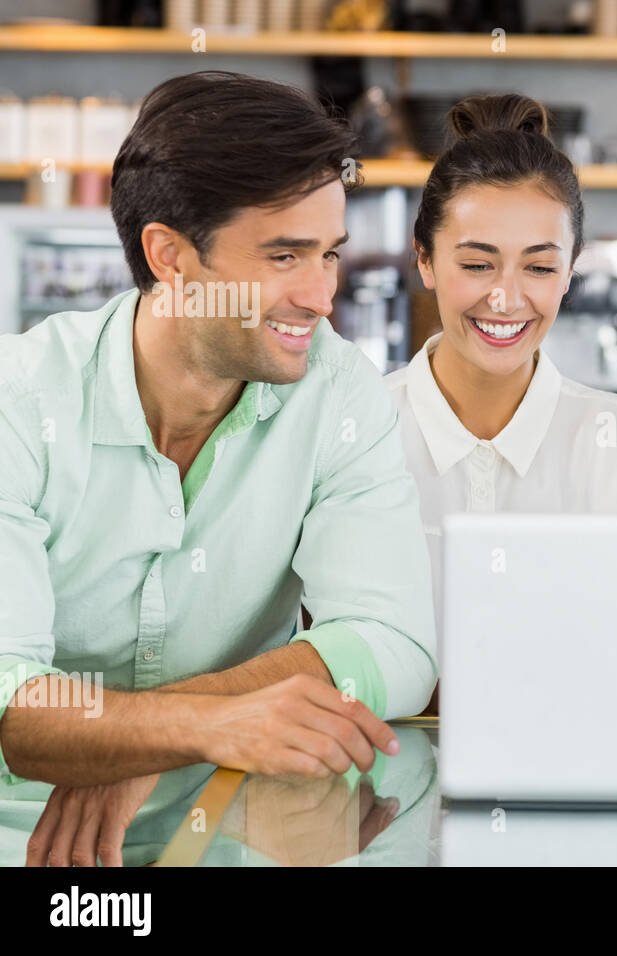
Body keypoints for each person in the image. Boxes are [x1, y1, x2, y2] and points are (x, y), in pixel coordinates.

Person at [0, 71, 436, 866]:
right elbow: (9, 701)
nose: (322, 294)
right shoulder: (20, 401)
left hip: (238, 829)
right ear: (168, 255)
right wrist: (193, 727)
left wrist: (142, 744)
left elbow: (395, 643)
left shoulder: (341, 395)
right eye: (284, 255)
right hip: (26, 844)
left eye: (330, 253)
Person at [387, 93, 617, 677]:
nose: (506, 298)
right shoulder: (360, 431)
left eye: (538, 267)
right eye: (477, 264)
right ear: (426, 260)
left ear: (570, 271)